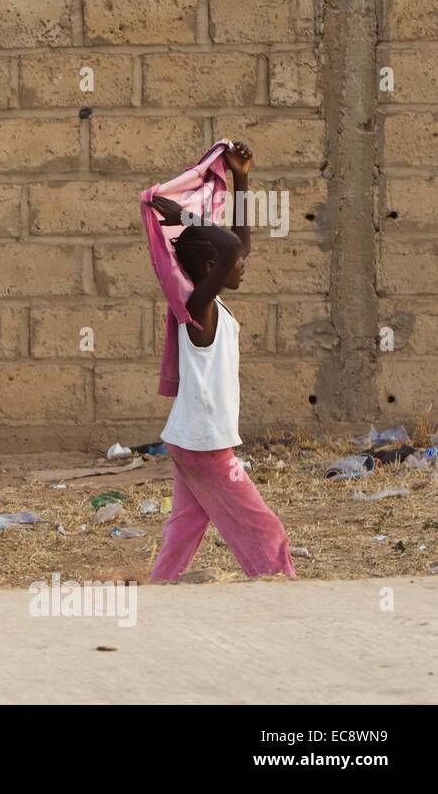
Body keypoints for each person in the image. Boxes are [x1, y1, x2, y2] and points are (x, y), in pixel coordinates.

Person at [144, 141, 296, 582]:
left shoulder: (205, 303)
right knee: (260, 524)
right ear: (211, 266)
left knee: (187, 524)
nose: (244, 264)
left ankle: (161, 586)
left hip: (191, 438)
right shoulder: (197, 310)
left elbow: (235, 245)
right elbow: (231, 247)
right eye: (235, 263)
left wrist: (243, 178)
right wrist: (186, 219)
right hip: (205, 444)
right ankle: (279, 586)